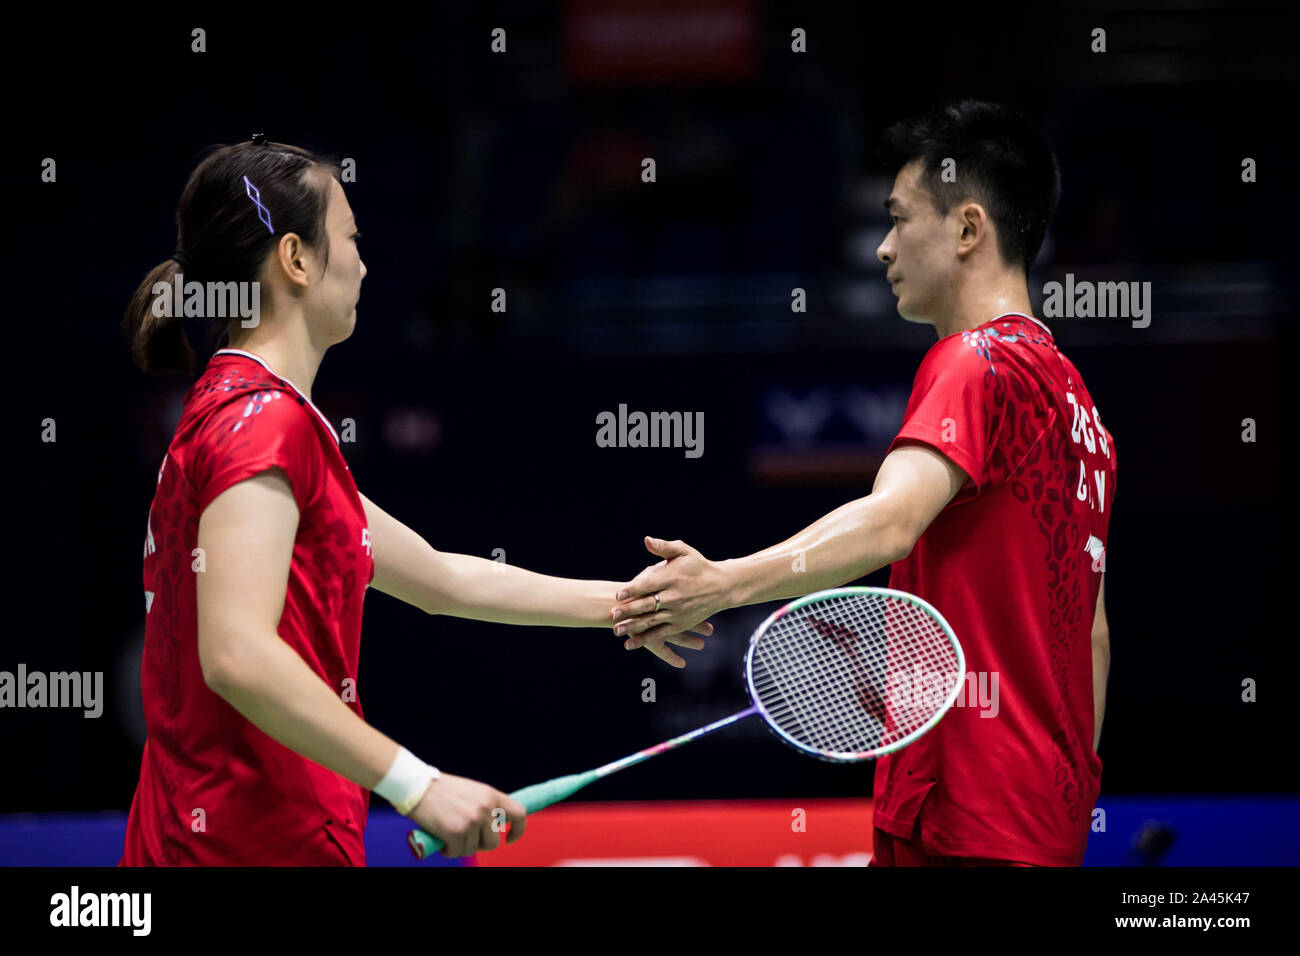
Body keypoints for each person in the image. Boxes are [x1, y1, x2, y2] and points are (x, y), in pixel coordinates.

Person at [118, 137, 712, 865]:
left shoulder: (243, 412)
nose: (365, 263)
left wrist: (629, 604)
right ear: (297, 260)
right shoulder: (261, 424)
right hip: (245, 846)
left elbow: (439, 578)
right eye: (351, 239)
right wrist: (418, 783)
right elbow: (235, 652)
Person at [609, 102, 1116, 867]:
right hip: (1044, 816)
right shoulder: (1079, 406)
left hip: (963, 807)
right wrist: (1063, 799)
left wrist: (723, 585)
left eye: (899, 219)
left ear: (969, 229)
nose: (881, 248)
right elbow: (1094, 635)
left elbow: (888, 525)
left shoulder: (973, 362)